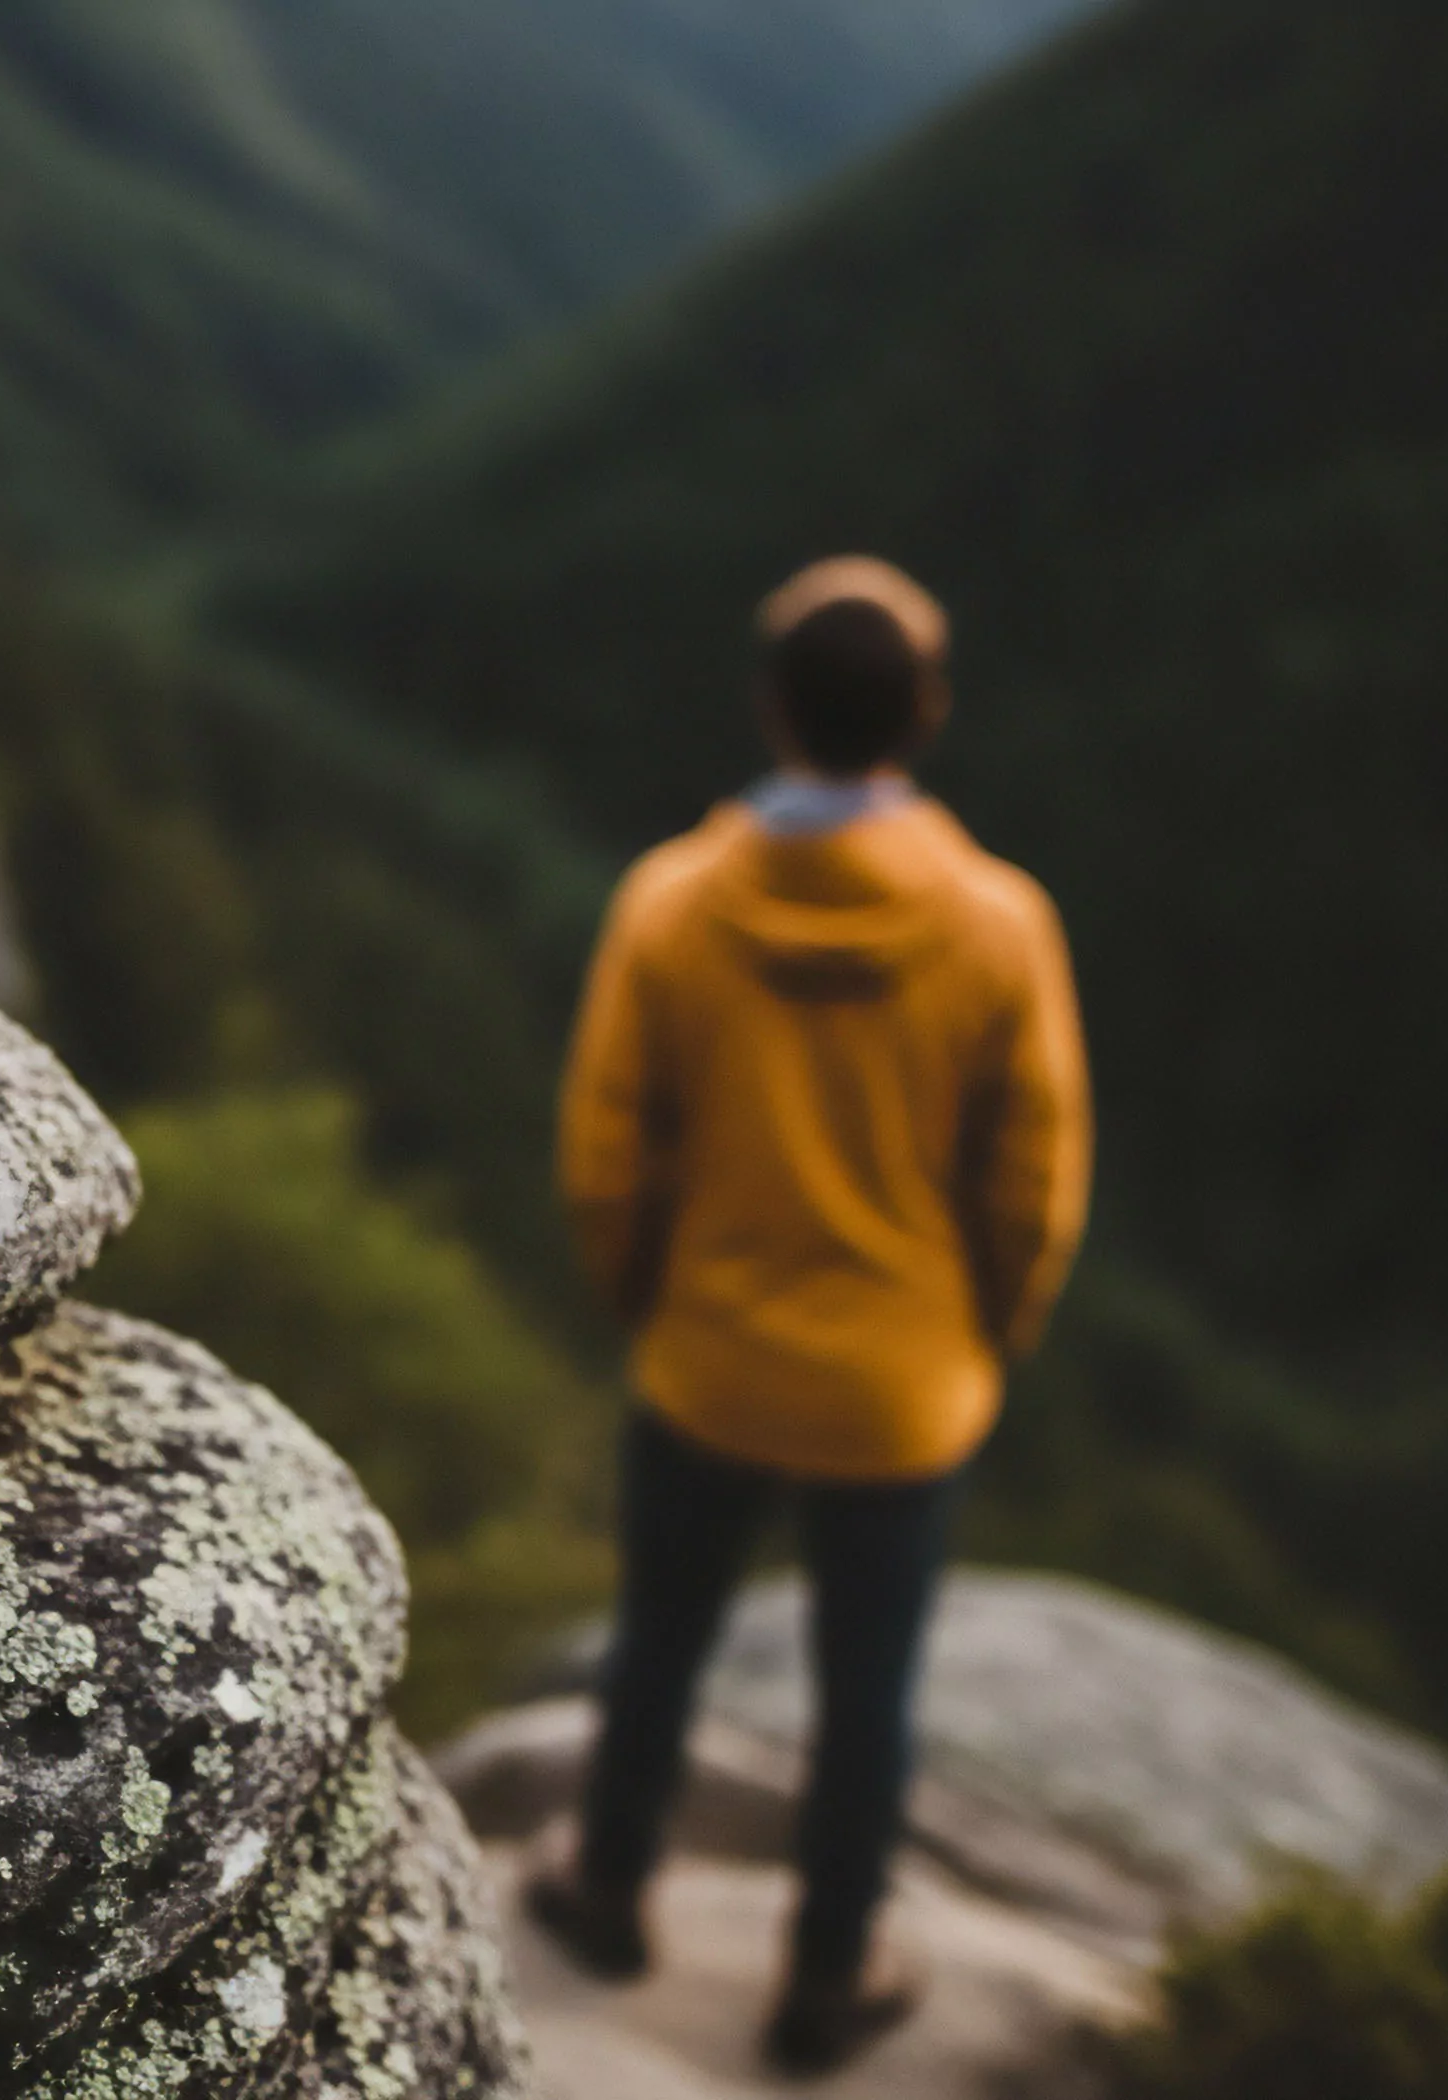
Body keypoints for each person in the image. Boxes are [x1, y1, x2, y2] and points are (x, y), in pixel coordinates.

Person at [528, 555, 1092, 2075]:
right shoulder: (995, 928)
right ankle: (823, 1977)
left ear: (770, 707)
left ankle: (605, 1891)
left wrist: (639, 1295)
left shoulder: (669, 906)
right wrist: (989, 1332)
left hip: (706, 1361)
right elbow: (1033, 1180)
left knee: (656, 1648)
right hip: (899, 1392)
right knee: (866, 1702)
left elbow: (602, 1152)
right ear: (926, 714)